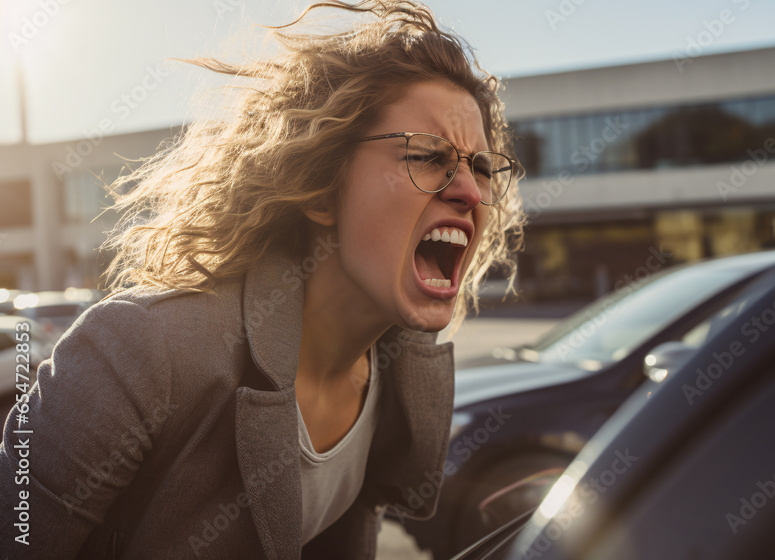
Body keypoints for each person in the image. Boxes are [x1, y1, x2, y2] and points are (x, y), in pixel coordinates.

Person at [0, 1, 524, 558]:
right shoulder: (140, 349)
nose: (470, 192)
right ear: (322, 188)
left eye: (483, 167)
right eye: (427, 156)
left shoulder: (402, 369)